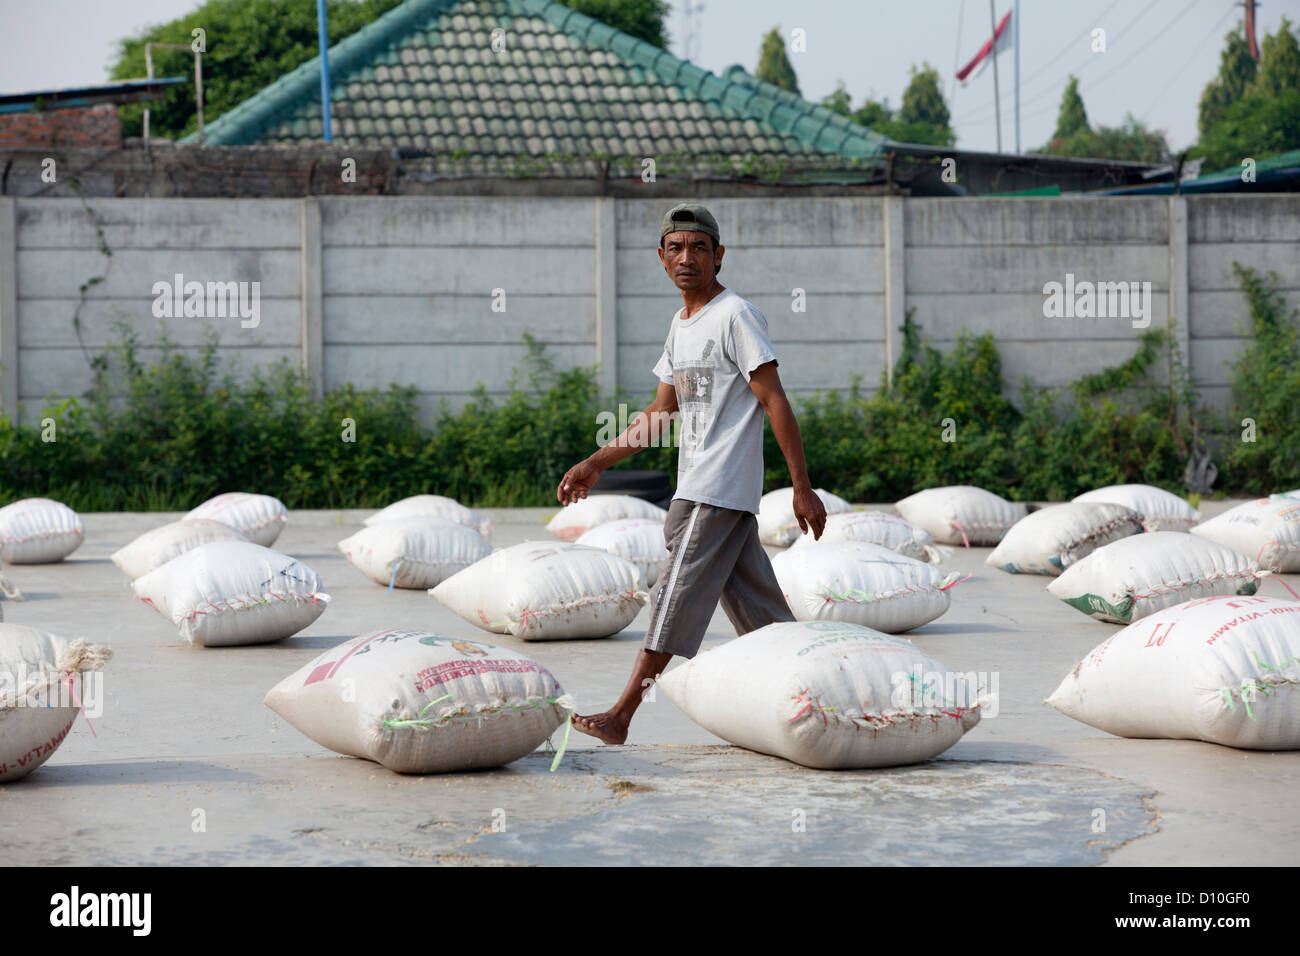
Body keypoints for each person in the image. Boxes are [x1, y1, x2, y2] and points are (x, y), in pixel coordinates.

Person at [556, 202, 828, 745]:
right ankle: (819, 696)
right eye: (676, 248)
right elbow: (659, 414)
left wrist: (801, 486)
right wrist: (593, 465)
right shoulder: (680, 327)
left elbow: (774, 400)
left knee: (670, 599)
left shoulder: (736, 316)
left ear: (719, 255)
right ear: (661, 258)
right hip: (702, 493)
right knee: (765, 618)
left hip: (717, 491)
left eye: (699, 248)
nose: (687, 258)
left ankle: (622, 715)